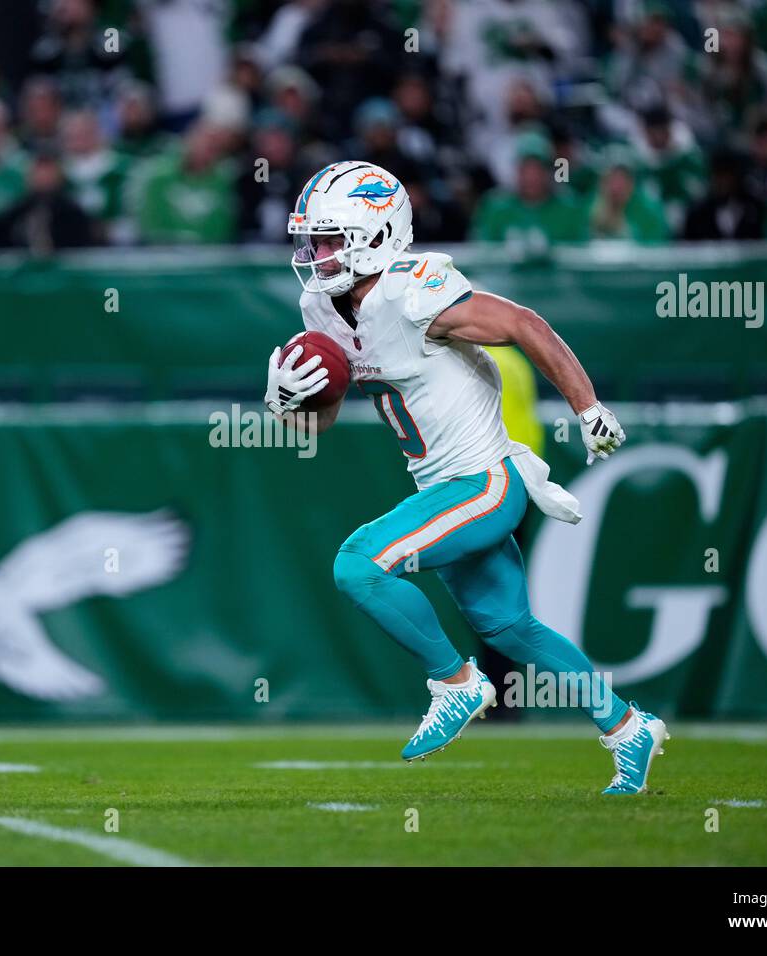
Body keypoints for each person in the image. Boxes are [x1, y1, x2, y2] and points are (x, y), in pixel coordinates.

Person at [266, 161, 668, 794]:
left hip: (485, 482)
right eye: (311, 240)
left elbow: (524, 324)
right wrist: (289, 402)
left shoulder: (411, 290)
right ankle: (627, 727)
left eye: (329, 238)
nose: (316, 254)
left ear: (376, 233)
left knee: (356, 564)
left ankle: (457, 683)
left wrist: (588, 408)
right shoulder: (321, 303)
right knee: (511, 628)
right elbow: (321, 427)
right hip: (442, 487)